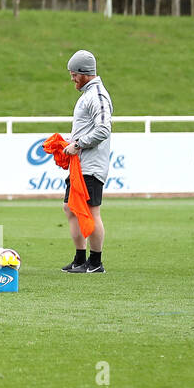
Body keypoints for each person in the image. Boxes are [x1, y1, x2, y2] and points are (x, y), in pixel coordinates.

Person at [61, 50, 112, 274]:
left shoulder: (97, 95)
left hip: (90, 165)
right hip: (80, 164)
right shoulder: (89, 94)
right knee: (71, 208)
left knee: (91, 212)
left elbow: (103, 129)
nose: (72, 78)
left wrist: (78, 144)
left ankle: (95, 261)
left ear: (84, 73)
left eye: (74, 74)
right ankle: (80, 259)